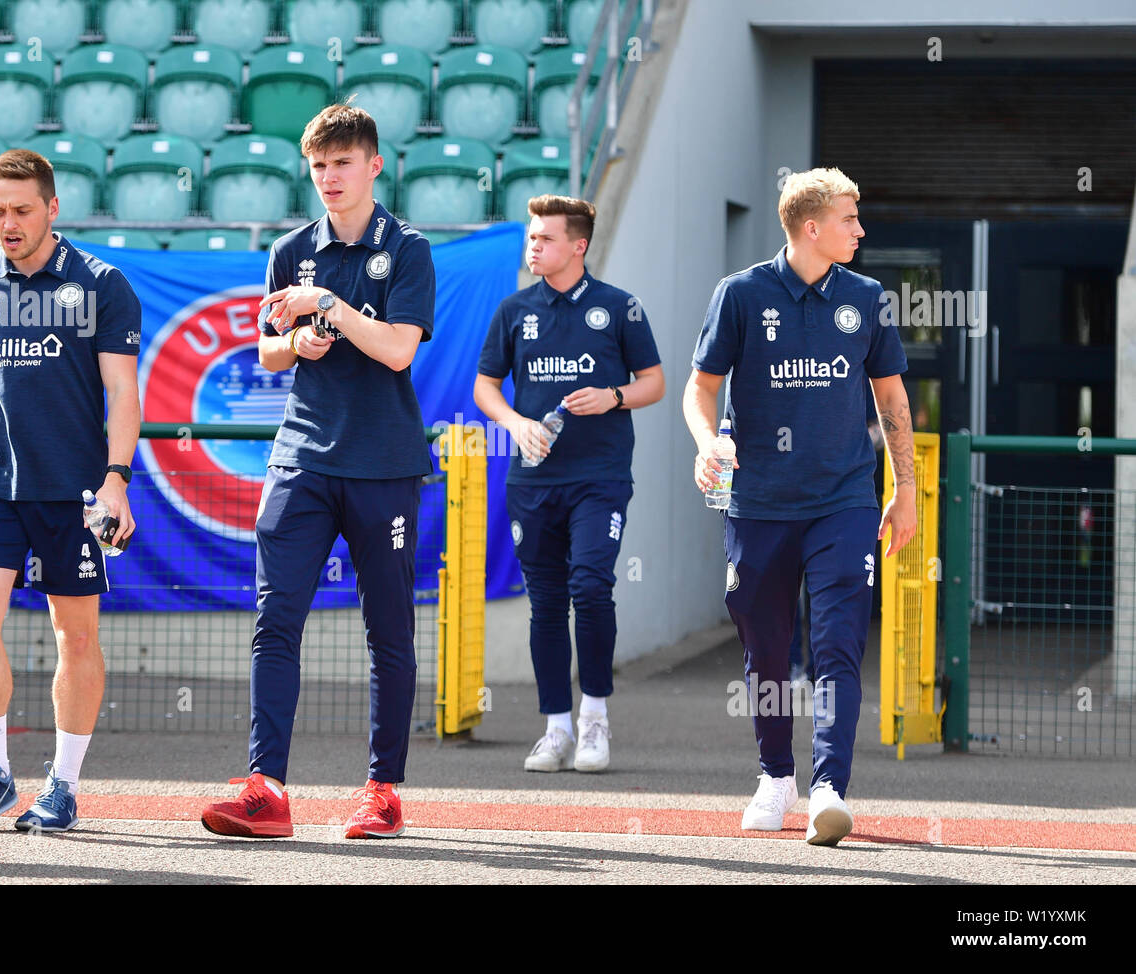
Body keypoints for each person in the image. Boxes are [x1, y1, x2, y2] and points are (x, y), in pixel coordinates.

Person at [200, 103, 435, 839]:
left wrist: (329, 304)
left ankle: (382, 791)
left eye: (342, 163)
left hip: (384, 465)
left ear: (374, 165)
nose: (329, 178)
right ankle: (266, 786)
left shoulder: (409, 249)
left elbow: (398, 351)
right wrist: (298, 341)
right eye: (318, 166)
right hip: (300, 456)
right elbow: (266, 350)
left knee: (388, 631)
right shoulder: (289, 250)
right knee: (276, 620)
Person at [683, 167, 916, 846]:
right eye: (850, 218)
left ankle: (827, 789)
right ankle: (775, 775)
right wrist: (706, 443)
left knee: (838, 645)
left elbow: (892, 400)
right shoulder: (742, 295)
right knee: (766, 650)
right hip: (756, 504)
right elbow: (700, 389)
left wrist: (904, 491)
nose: (861, 229)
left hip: (844, 502)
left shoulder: (868, 299)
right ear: (811, 227)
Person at [0, 149, 141, 832]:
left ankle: (63, 785)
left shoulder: (102, 285)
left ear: (53, 208)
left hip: (75, 491)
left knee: (75, 635)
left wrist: (117, 481)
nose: (8, 223)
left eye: (22, 210)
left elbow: (121, 388)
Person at [474, 195, 664, 774]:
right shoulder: (513, 310)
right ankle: (555, 728)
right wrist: (516, 424)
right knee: (548, 603)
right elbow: (485, 388)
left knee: (590, 588)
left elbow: (654, 382)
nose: (533, 246)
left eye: (545, 238)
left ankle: (595, 718)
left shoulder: (619, 308)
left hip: (599, 478)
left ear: (577, 246)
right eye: (531, 237)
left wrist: (613, 396)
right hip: (532, 482)